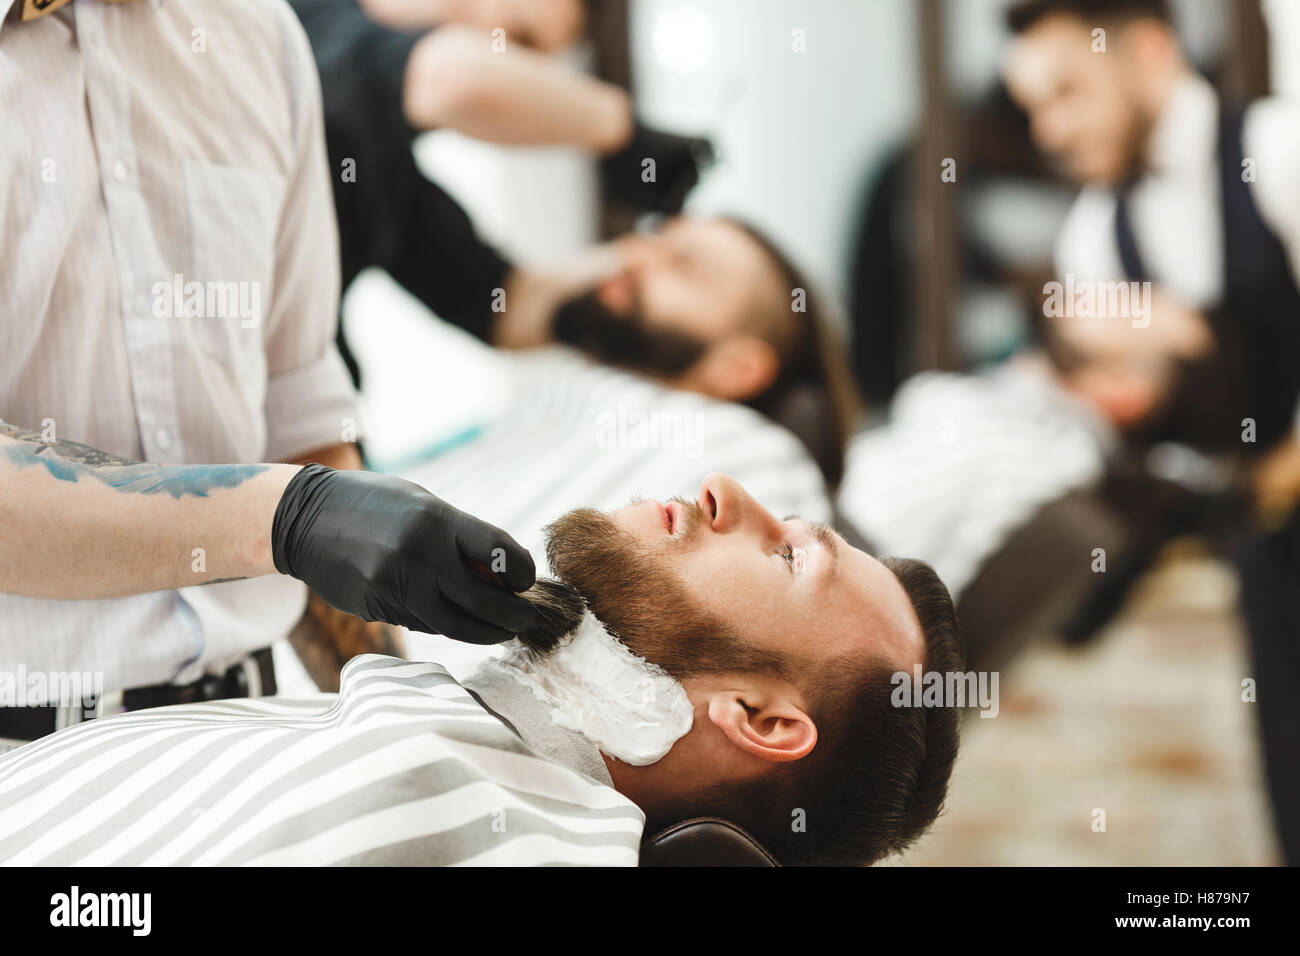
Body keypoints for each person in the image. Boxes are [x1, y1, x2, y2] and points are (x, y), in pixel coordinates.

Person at [0, 0, 544, 750]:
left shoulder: (254, 33)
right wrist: (287, 518)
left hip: (249, 739)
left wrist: (409, 728)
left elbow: (299, 415)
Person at [0, 474, 965, 867]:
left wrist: (284, 515)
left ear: (760, 716)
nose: (726, 491)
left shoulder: (482, 824)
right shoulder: (435, 748)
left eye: (789, 556)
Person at [287, 0, 858, 486]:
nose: (522, 63)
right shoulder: (298, 23)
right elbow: (450, 82)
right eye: (523, 38)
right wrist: (623, 132)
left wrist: (631, 279)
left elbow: (506, 307)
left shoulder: (390, 183)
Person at [1002, 0, 1300, 863]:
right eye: (1033, 110)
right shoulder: (1093, 235)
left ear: (1150, 51)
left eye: (1069, 92)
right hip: (1270, 561)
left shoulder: (1280, 152)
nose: (1052, 130)